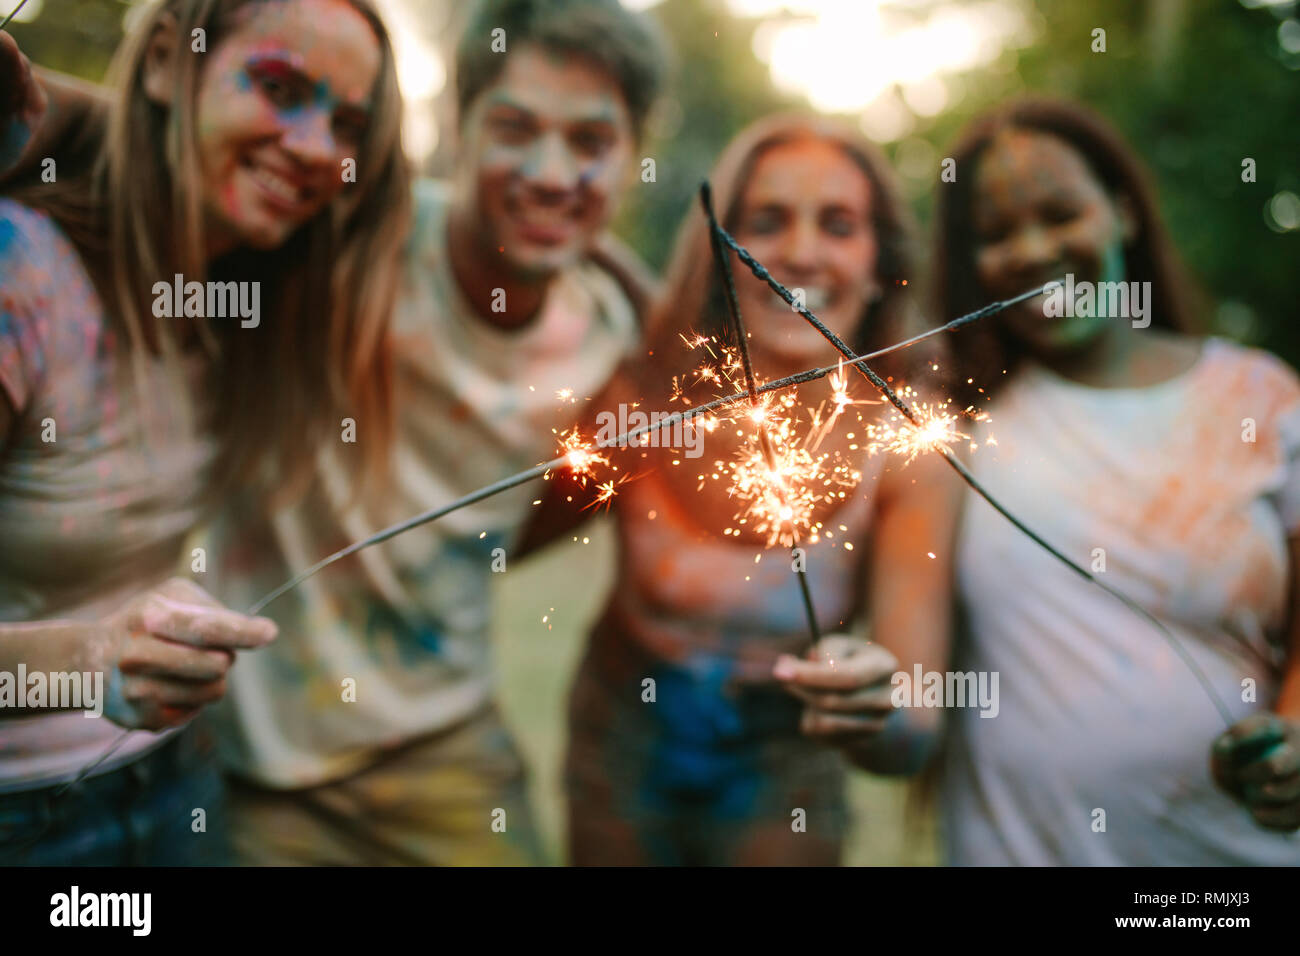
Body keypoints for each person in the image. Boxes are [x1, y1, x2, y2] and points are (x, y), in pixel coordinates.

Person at [192, 0, 668, 865]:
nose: (553, 174)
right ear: (459, 124)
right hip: (257, 758)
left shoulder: (615, 360)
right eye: (515, 129)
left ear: (631, 157)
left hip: (448, 753)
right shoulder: (344, 237)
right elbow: (164, 167)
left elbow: (516, 536)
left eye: (592, 144)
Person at [0, 0, 411, 864]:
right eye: (276, 87)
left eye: (345, 124)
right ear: (162, 62)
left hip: (174, 780)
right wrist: (86, 660)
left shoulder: (243, 299)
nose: (312, 148)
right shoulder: (21, 274)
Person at [559, 114, 961, 866]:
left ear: (879, 263)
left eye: (838, 225)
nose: (801, 253)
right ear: (721, 253)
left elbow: (913, 729)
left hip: (786, 778)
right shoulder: (641, 397)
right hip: (619, 744)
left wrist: (877, 709)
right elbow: (505, 534)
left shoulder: (910, 445)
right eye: (767, 221)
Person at [934, 98, 1300, 863]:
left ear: (1124, 213)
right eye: (997, 233)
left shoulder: (1262, 399)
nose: (1033, 249)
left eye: (1060, 213)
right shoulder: (954, 429)